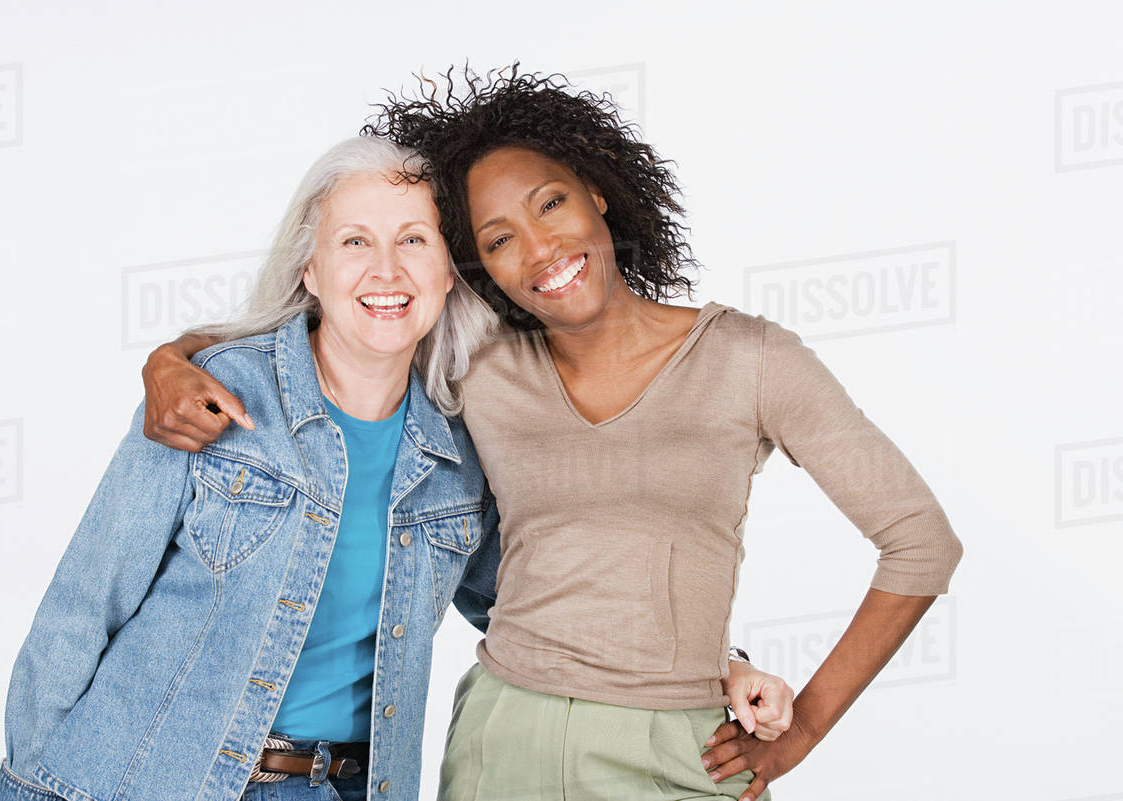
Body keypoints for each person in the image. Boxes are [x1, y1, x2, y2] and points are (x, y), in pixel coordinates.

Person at [139, 67, 954, 801]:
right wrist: (173, 356)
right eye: (498, 240)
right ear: (480, 268)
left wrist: (802, 729)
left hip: (680, 750)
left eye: (551, 204)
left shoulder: (750, 359)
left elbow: (921, 540)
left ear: (597, 192)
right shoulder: (483, 368)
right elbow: (327, 329)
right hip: (503, 741)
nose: (540, 251)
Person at [0, 136, 504, 801]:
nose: (386, 270)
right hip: (144, 780)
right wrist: (31, 780)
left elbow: (528, 615)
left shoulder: (460, 460)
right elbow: (84, 605)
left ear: (447, 272)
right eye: (354, 242)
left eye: (413, 240)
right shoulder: (212, 394)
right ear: (310, 269)